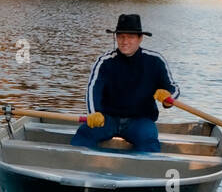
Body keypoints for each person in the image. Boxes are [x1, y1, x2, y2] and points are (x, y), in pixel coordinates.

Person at [71, 13, 179, 153]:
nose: (124, 41)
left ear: (140, 39)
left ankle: (147, 171)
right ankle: (76, 166)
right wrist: (93, 112)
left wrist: (168, 97)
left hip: (140, 121)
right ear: (116, 37)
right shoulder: (105, 61)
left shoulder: (155, 61)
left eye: (130, 37)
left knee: (149, 141)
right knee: (84, 134)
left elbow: (173, 88)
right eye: (121, 36)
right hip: (107, 119)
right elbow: (93, 89)